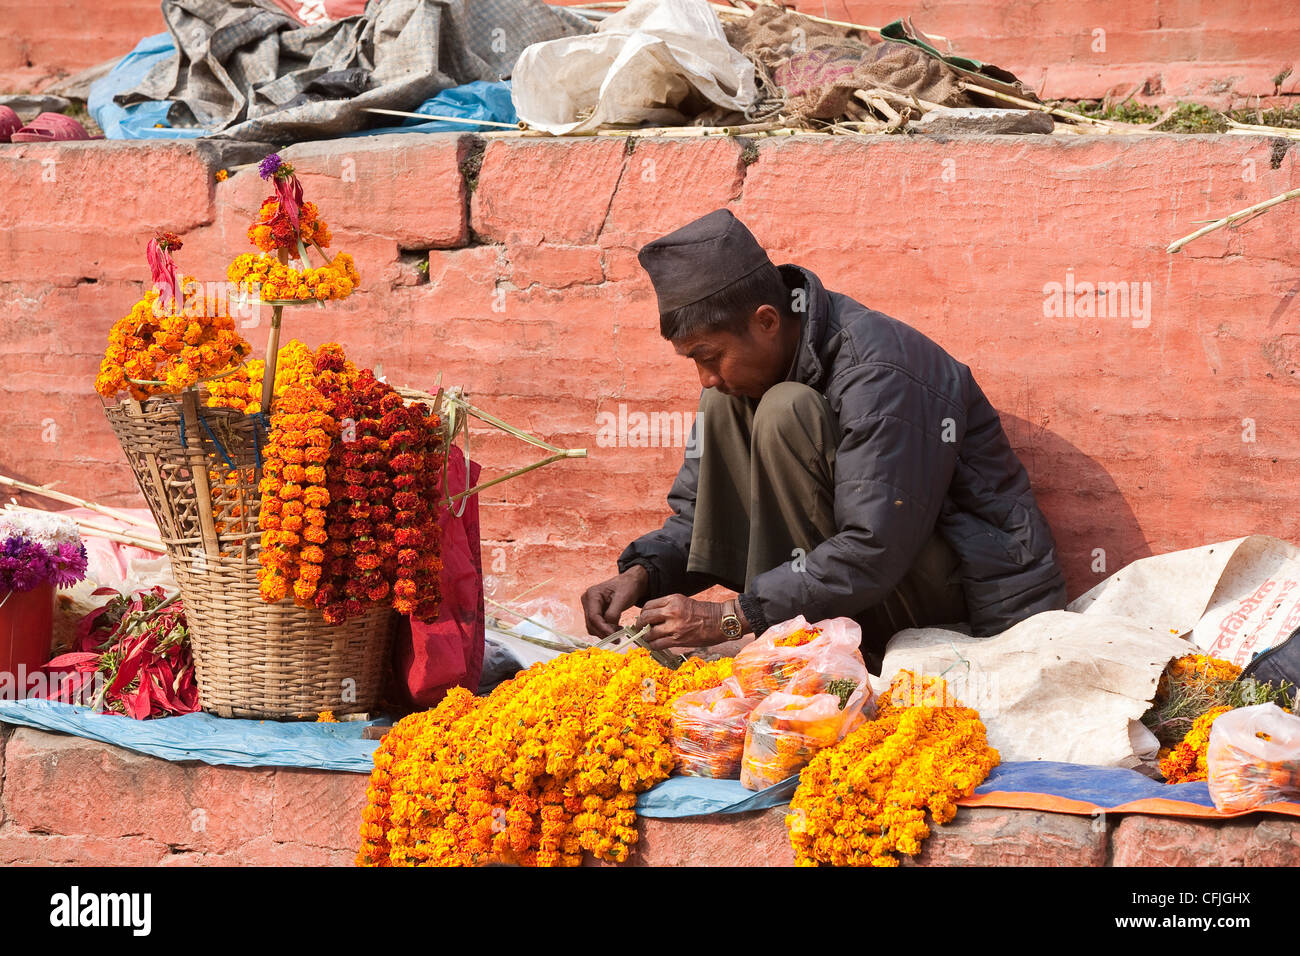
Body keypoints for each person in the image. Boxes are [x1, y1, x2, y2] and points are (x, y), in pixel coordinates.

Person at [580, 209, 1067, 671]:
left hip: (952, 598)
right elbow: (701, 514)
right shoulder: (743, 381)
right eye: (694, 362)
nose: (705, 377)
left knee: (784, 409)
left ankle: (794, 630)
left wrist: (731, 616)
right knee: (725, 402)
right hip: (856, 585)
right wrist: (642, 574)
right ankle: (788, 625)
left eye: (710, 356)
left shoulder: (879, 373)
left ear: (767, 321)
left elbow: (874, 546)